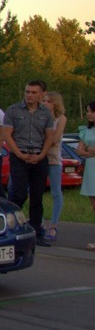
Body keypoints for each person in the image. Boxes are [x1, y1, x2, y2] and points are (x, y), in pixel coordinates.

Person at [0, 80, 55, 244]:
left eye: (33, 92)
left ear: (41, 94)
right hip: (19, 156)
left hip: (39, 156)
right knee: (19, 193)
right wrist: (19, 154)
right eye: (27, 92)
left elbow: (49, 137)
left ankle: (36, 232)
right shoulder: (13, 110)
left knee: (37, 196)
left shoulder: (45, 113)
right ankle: (10, 227)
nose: (29, 95)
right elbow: (7, 135)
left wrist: (41, 155)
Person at [40, 91, 68, 244]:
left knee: (56, 192)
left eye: (48, 101)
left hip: (53, 159)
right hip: (40, 158)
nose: (45, 103)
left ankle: (54, 224)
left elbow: (55, 139)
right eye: (44, 101)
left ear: (55, 103)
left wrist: (43, 142)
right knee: (37, 191)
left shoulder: (60, 119)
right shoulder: (41, 117)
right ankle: (41, 222)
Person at [75, 101, 95, 251]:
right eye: (88, 111)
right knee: (94, 205)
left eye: (91, 111)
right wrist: (90, 149)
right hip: (91, 168)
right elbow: (79, 150)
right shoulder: (86, 130)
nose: (89, 114)